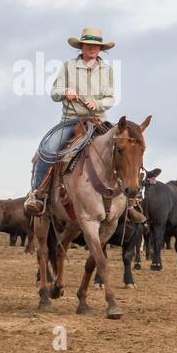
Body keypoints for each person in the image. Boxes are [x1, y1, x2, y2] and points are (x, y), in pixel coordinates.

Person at [24, 27, 143, 221]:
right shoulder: (68, 67)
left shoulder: (107, 70)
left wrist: (97, 104)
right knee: (47, 150)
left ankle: (130, 200)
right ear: (82, 46)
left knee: (128, 148)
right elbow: (54, 92)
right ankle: (38, 194)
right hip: (71, 120)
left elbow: (111, 97)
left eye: (96, 46)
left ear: (100, 49)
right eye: (89, 45)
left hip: (99, 120)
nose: (92, 48)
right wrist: (65, 91)